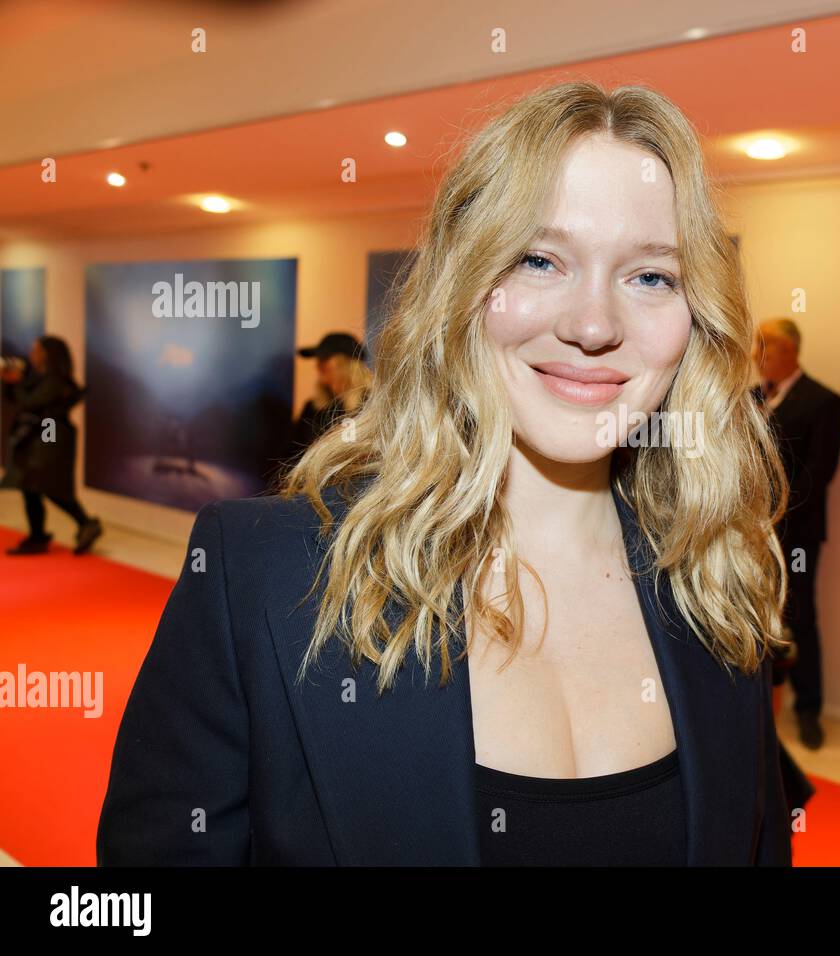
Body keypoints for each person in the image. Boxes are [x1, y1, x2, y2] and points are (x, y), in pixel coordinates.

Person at [97, 81, 794, 866]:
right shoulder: (262, 578)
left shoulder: (717, 585)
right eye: (539, 259)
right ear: (462, 287)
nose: (594, 325)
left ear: (694, 320)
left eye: (651, 277)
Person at [753, 318, 840, 749]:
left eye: (764, 347)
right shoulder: (750, 399)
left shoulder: (824, 401)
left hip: (796, 536)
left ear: (788, 351)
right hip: (747, 534)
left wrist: (773, 516)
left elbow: (817, 474)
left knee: (799, 619)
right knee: (753, 618)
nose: (756, 356)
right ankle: (756, 710)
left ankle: (808, 711)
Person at [0, 335, 103, 556]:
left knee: (46, 483)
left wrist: (16, 383)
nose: (31, 352)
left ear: (47, 354)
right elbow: (22, 401)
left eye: (36, 349)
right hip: (48, 432)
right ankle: (39, 535)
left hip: (51, 432)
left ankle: (85, 523)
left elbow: (31, 403)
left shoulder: (55, 380)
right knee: (33, 484)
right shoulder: (43, 378)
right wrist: (11, 383)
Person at [284, 332, 372, 467]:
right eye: (318, 360)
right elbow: (292, 457)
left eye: (325, 360)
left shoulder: (373, 404)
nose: (318, 366)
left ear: (346, 363)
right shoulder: (314, 409)